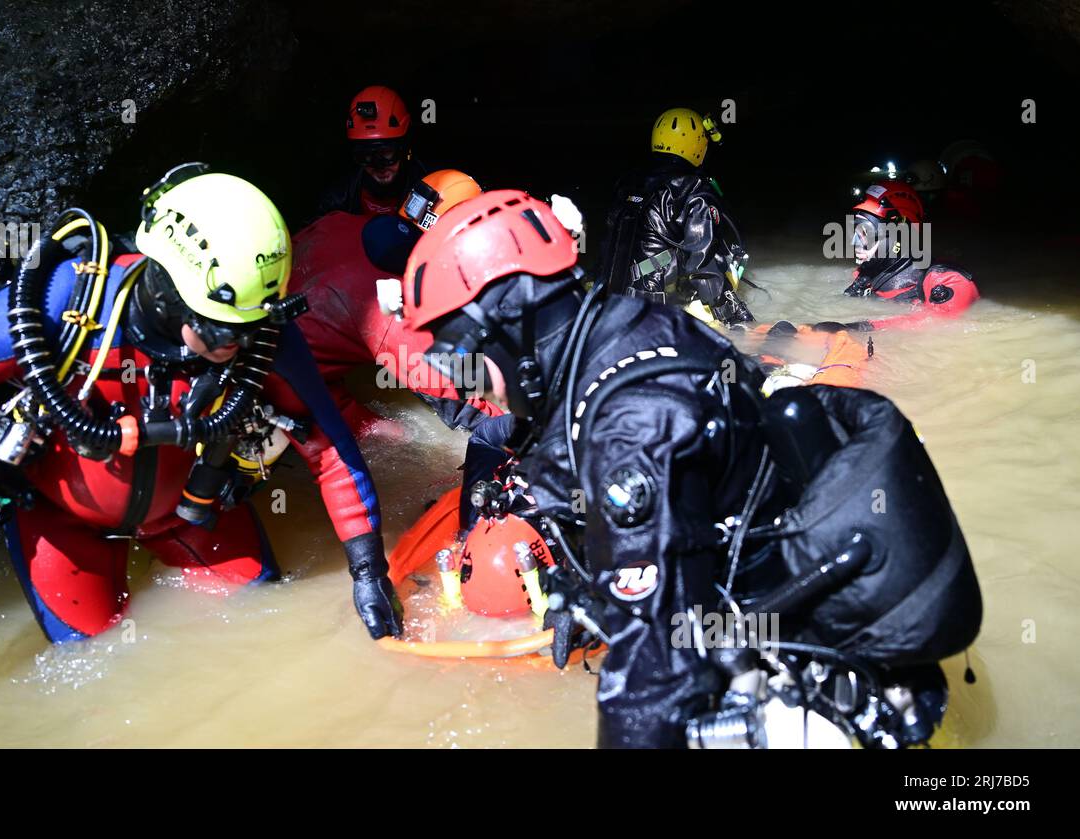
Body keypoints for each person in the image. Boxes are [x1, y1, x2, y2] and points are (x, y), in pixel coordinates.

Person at [396, 189, 981, 748]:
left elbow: (653, 682)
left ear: (508, 324)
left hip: (825, 658)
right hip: (789, 577)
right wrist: (585, 590)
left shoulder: (633, 429)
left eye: (458, 354)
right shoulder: (628, 324)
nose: (460, 378)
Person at [0, 166, 402, 645]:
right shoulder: (56, 309)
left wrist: (369, 570)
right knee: (94, 666)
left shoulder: (259, 329)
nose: (234, 348)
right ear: (164, 290)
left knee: (267, 618)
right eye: (218, 331)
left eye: (245, 331)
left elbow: (331, 453)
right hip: (61, 520)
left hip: (190, 510)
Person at [293, 168, 500, 434]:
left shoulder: (339, 220)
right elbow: (463, 408)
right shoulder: (393, 312)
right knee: (400, 435)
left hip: (264, 339)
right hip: (286, 384)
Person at [599, 107, 752, 326]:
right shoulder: (693, 188)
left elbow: (607, 247)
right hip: (655, 309)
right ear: (696, 144)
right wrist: (736, 318)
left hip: (613, 303)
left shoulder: (627, 181)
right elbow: (703, 263)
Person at [843, 179, 979, 330]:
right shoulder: (863, 276)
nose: (855, 242)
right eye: (855, 231)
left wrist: (860, 328)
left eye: (865, 232)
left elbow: (941, 325)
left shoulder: (948, 281)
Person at [315, 85, 428, 220]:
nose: (379, 166)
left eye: (386, 153)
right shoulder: (337, 200)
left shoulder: (431, 188)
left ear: (403, 148)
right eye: (367, 155)